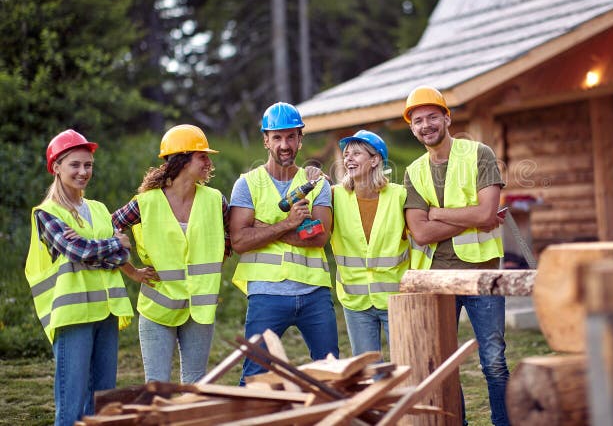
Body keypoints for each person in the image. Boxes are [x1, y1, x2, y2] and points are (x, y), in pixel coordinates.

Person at [401, 86, 509, 426]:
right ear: (412, 128)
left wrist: (437, 213)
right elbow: (419, 232)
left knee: (493, 360)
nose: (426, 125)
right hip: (437, 276)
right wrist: (468, 214)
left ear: (447, 118)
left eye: (433, 116)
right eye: (418, 120)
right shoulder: (413, 171)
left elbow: (486, 214)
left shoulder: (479, 154)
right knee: (444, 363)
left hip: (482, 272)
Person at [25, 129, 134, 426]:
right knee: (71, 406)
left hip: (106, 312)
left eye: (88, 165)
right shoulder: (46, 213)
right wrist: (112, 244)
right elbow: (77, 250)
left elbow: (122, 257)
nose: (83, 172)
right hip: (72, 316)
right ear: (56, 167)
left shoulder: (98, 209)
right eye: (75, 165)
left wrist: (97, 248)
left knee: (103, 403)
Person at [111, 124, 229, 383]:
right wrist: (131, 271)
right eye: (202, 156)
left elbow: (233, 235)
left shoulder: (215, 200)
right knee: (157, 385)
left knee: (196, 384)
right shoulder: (146, 202)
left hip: (200, 308)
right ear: (182, 160)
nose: (209, 162)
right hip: (157, 308)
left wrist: (222, 251)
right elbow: (107, 228)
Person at [230, 102, 337, 383]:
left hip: (315, 293)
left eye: (291, 136)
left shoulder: (317, 183)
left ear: (301, 139)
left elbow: (321, 237)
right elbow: (240, 240)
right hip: (266, 295)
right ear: (266, 140)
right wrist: (289, 224)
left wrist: (264, 229)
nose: (284, 144)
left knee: (331, 372)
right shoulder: (247, 184)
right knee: (255, 375)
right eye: (277, 137)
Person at [330, 130, 409, 357]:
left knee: (404, 365)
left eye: (356, 153)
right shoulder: (334, 196)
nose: (348, 159)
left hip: (395, 299)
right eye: (346, 154)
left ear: (375, 160)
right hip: (356, 303)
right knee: (367, 374)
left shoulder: (400, 196)